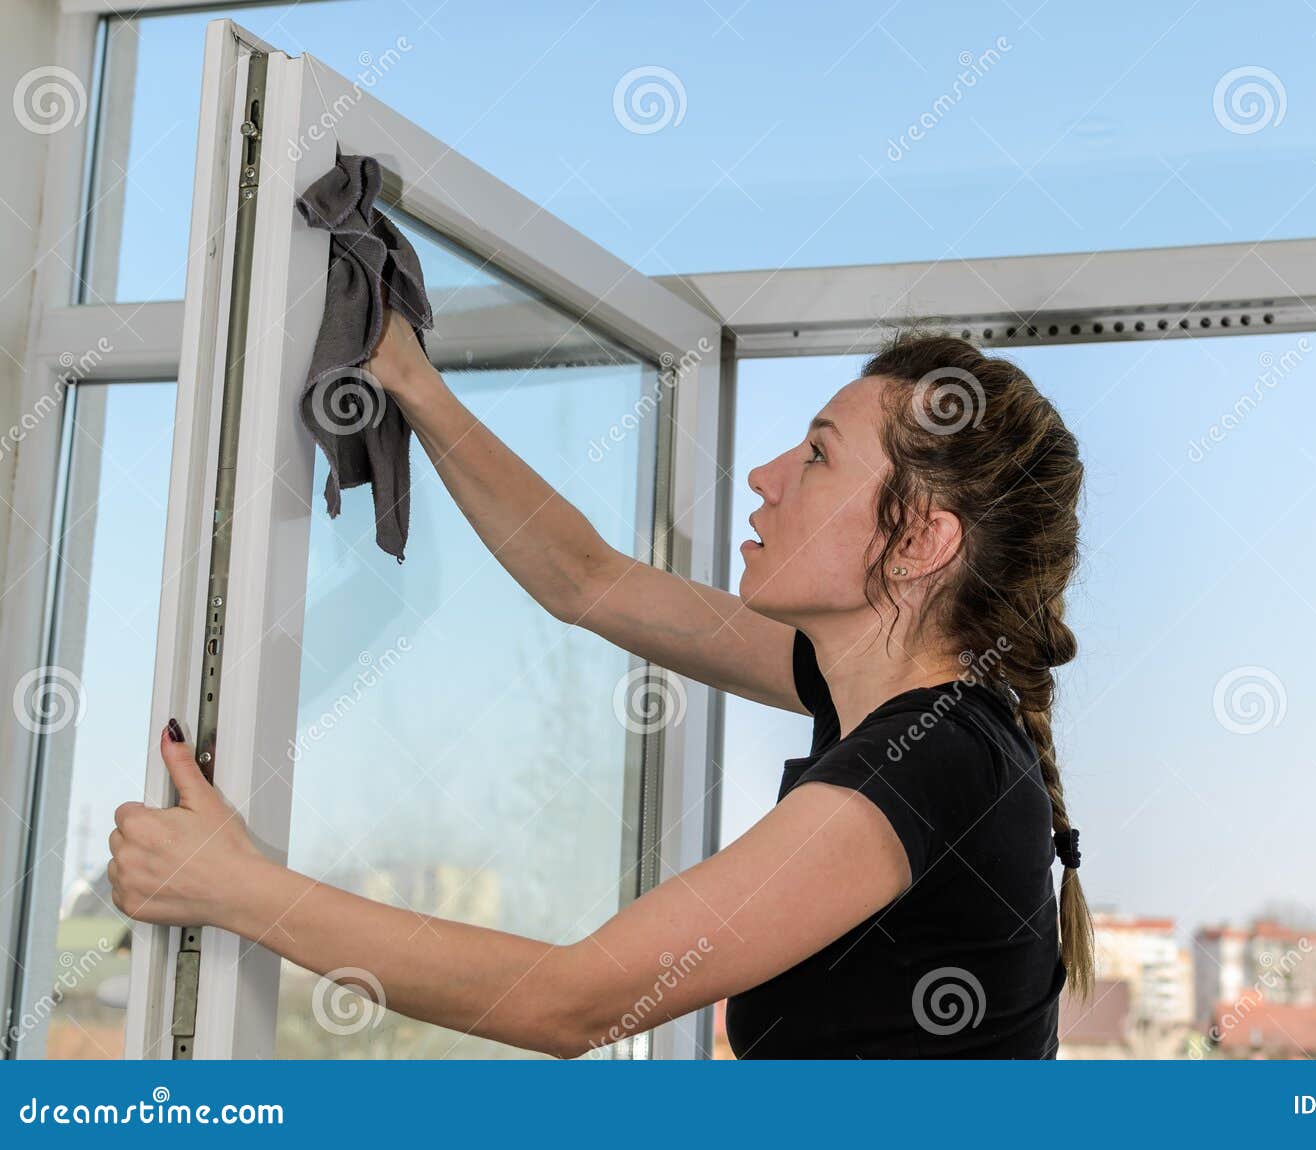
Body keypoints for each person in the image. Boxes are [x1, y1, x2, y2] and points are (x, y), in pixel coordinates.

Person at [108, 319, 1093, 1058]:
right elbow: (585, 578)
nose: (763, 475)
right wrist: (408, 377)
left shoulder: (927, 768)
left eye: (818, 455)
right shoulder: (893, 703)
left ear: (919, 542)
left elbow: (571, 999)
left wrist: (235, 888)